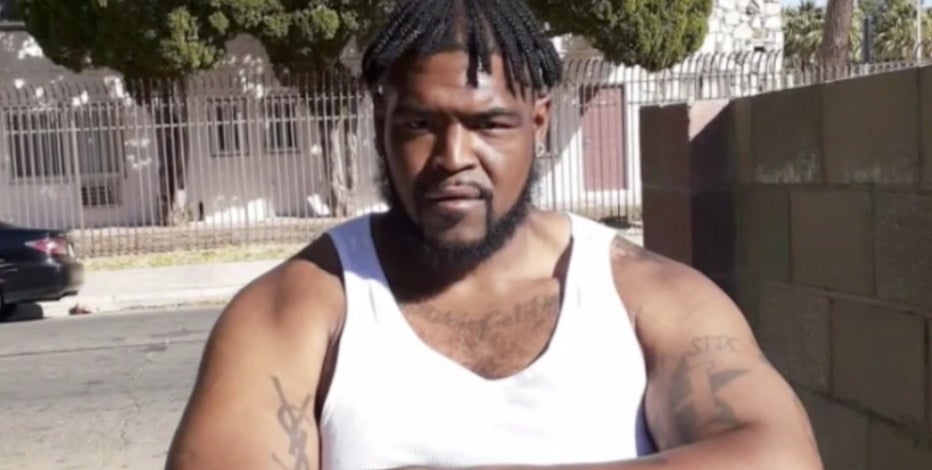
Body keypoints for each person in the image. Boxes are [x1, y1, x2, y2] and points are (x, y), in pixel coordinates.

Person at [165, 0, 823, 469]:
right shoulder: (300, 307)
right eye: (420, 125)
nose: (453, 157)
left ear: (539, 122)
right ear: (380, 122)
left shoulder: (645, 296)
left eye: (488, 125)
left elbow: (779, 457)